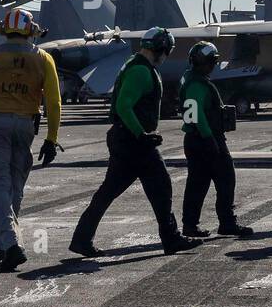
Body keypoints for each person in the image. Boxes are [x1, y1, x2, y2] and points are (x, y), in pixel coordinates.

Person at [69, 28, 201, 257]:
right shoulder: (141, 70)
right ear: (161, 49)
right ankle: (171, 239)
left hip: (127, 139)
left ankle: (81, 239)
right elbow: (123, 106)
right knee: (161, 186)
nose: (166, 56)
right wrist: (142, 134)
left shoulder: (135, 64)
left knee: (110, 191)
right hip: (135, 142)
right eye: (167, 51)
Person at [0, 9, 63, 272]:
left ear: (4, 30)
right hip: (26, 126)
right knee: (14, 187)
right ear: (31, 31)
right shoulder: (44, 58)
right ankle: (3, 250)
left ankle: (12, 243)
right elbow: (53, 102)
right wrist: (51, 139)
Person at [179, 41, 254, 239]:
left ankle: (191, 225)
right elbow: (196, 115)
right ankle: (226, 223)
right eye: (212, 62)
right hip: (205, 139)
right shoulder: (196, 84)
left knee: (198, 183)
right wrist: (209, 138)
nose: (212, 66)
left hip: (198, 140)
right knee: (224, 179)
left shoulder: (192, 79)